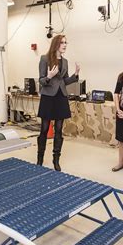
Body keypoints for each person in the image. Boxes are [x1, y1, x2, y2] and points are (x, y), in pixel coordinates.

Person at [37, 35, 80, 171]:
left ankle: (56, 160)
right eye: (62, 42)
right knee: (44, 129)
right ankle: (40, 159)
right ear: (56, 44)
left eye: (66, 42)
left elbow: (64, 81)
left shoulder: (65, 61)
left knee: (59, 130)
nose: (65, 45)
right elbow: (41, 80)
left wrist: (76, 75)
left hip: (61, 97)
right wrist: (49, 76)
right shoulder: (44, 59)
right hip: (48, 97)